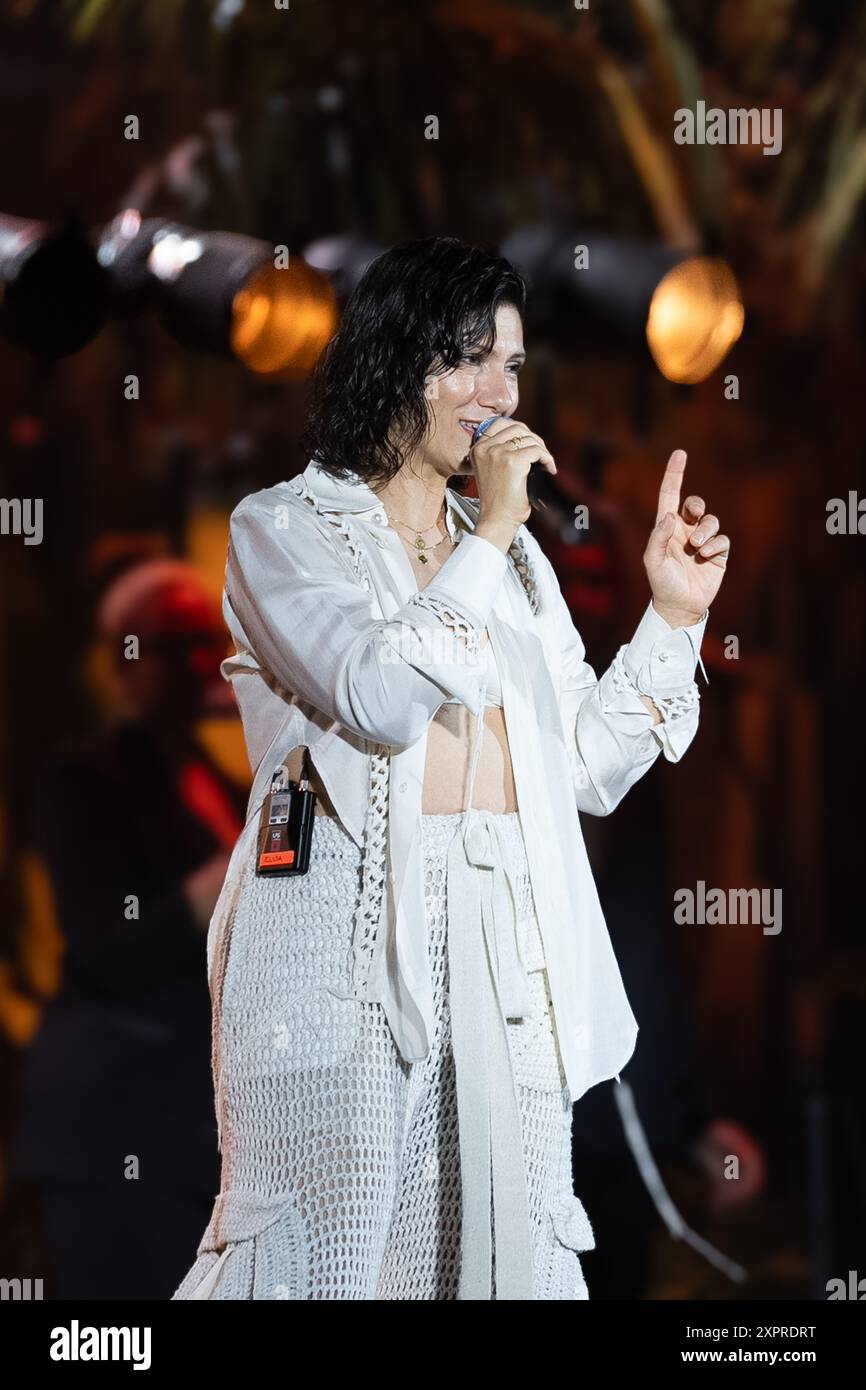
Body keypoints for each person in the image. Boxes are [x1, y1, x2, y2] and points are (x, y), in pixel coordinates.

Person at [172, 236, 729, 1301]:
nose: (496, 391)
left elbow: (581, 767)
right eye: (467, 358)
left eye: (511, 365)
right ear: (393, 359)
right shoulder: (284, 531)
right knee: (328, 1259)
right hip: (337, 959)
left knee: (504, 1261)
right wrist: (496, 532)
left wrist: (670, 617)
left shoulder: (512, 559)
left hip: (503, 950)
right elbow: (378, 695)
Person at [8, 559, 248, 1299]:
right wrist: (236, 871)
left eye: (203, 640)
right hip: (120, 1124)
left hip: (185, 1130)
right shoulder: (86, 778)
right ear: (123, 658)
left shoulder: (207, 767)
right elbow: (111, 945)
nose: (194, 662)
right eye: (167, 644)